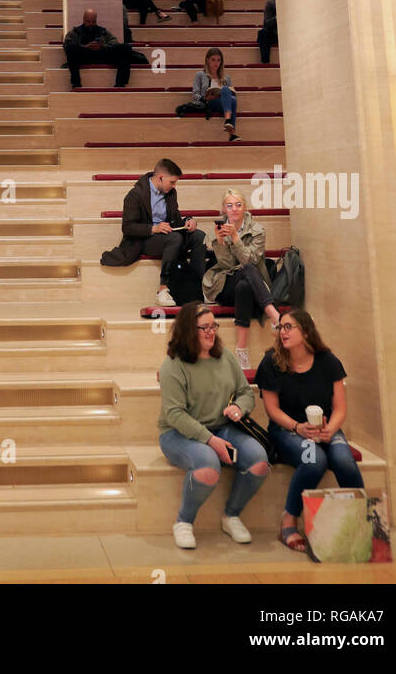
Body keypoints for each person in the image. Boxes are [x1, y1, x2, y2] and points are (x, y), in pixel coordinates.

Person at [159, 301, 270, 549]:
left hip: (222, 428)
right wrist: (211, 440)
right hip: (178, 434)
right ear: (188, 330)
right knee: (208, 466)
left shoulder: (225, 357)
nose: (211, 332)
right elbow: (174, 414)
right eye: (204, 327)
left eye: (214, 326)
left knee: (260, 462)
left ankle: (231, 516)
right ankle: (184, 522)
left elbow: (246, 393)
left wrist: (239, 408)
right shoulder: (173, 365)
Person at [256, 307, 365, 553]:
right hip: (288, 429)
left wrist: (331, 430)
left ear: (305, 331)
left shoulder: (327, 361)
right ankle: (289, 522)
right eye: (280, 327)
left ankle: (362, 520)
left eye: (288, 327)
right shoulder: (271, 362)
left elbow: (339, 408)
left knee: (344, 462)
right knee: (314, 459)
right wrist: (298, 427)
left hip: (326, 427)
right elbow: (272, 410)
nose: (282, 332)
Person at [100, 159, 205, 300]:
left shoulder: (170, 193)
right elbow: (128, 227)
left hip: (168, 234)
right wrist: (154, 228)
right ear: (160, 178)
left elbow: (176, 219)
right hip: (146, 239)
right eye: (172, 182)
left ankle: (198, 286)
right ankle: (163, 288)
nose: (174, 186)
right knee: (175, 238)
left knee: (199, 236)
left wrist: (188, 221)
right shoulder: (135, 195)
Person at [202, 187, 281, 371]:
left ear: (245, 207)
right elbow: (226, 265)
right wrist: (221, 243)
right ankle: (275, 316)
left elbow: (250, 260)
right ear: (224, 209)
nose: (234, 209)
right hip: (225, 282)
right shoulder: (217, 230)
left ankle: (241, 350)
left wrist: (236, 238)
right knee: (244, 273)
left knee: (245, 283)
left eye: (238, 205)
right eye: (229, 206)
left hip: (252, 285)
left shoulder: (258, 230)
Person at [63, 8, 132, 89]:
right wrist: (85, 47)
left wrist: (103, 46)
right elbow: (67, 45)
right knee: (71, 48)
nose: (91, 24)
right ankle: (76, 83)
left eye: (93, 21)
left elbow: (115, 42)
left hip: (102, 55)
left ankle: (120, 84)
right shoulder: (75, 32)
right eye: (88, 21)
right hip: (84, 56)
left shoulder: (103, 31)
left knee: (126, 48)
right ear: (83, 20)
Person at [190, 46, 239, 142]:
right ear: (207, 60)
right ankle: (231, 131)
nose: (216, 63)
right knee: (230, 98)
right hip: (209, 103)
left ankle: (228, 122)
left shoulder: (226, 77)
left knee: (229, 94)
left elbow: (231, 94)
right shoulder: (200, 75)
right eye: (213, 60)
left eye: (218, 60)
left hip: (224, 103)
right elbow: (195, 94)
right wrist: (206, 98)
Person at [257, 0, 278, 64]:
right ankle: (265, 62)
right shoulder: (271, 3)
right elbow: (267, 23)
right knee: (263, 33)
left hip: (288, 33)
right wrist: (276, 19)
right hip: (274, 33)